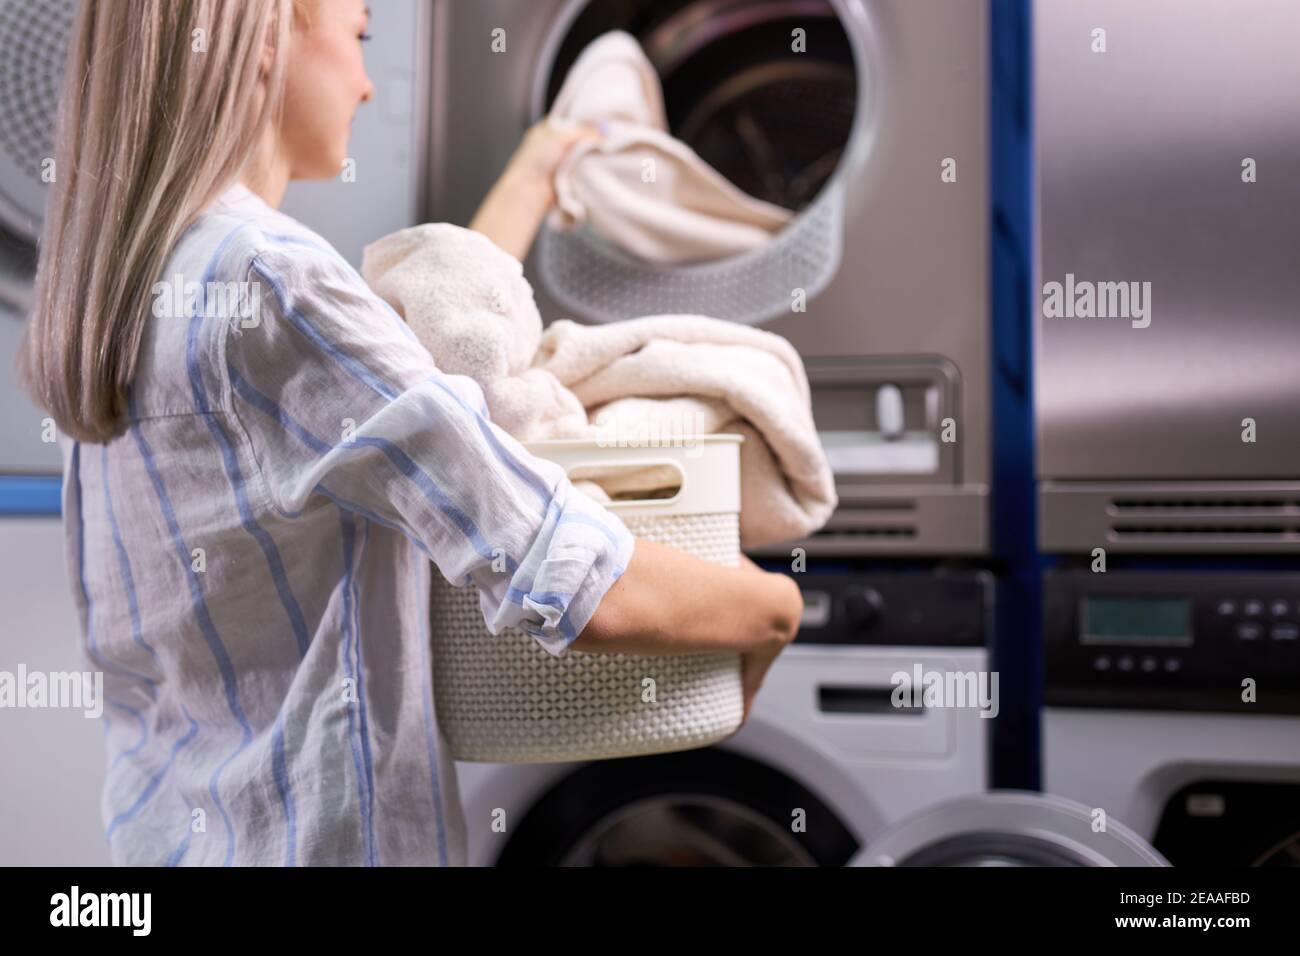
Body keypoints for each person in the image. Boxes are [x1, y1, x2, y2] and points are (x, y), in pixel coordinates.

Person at [17, 0, 803, 866]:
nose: (364, 85)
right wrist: (771, 608)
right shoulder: (275, 284)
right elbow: (568, 576)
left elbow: (419, 376)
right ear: (271, 31)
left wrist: (543, 164)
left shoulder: (135, 295)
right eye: (360, 38)